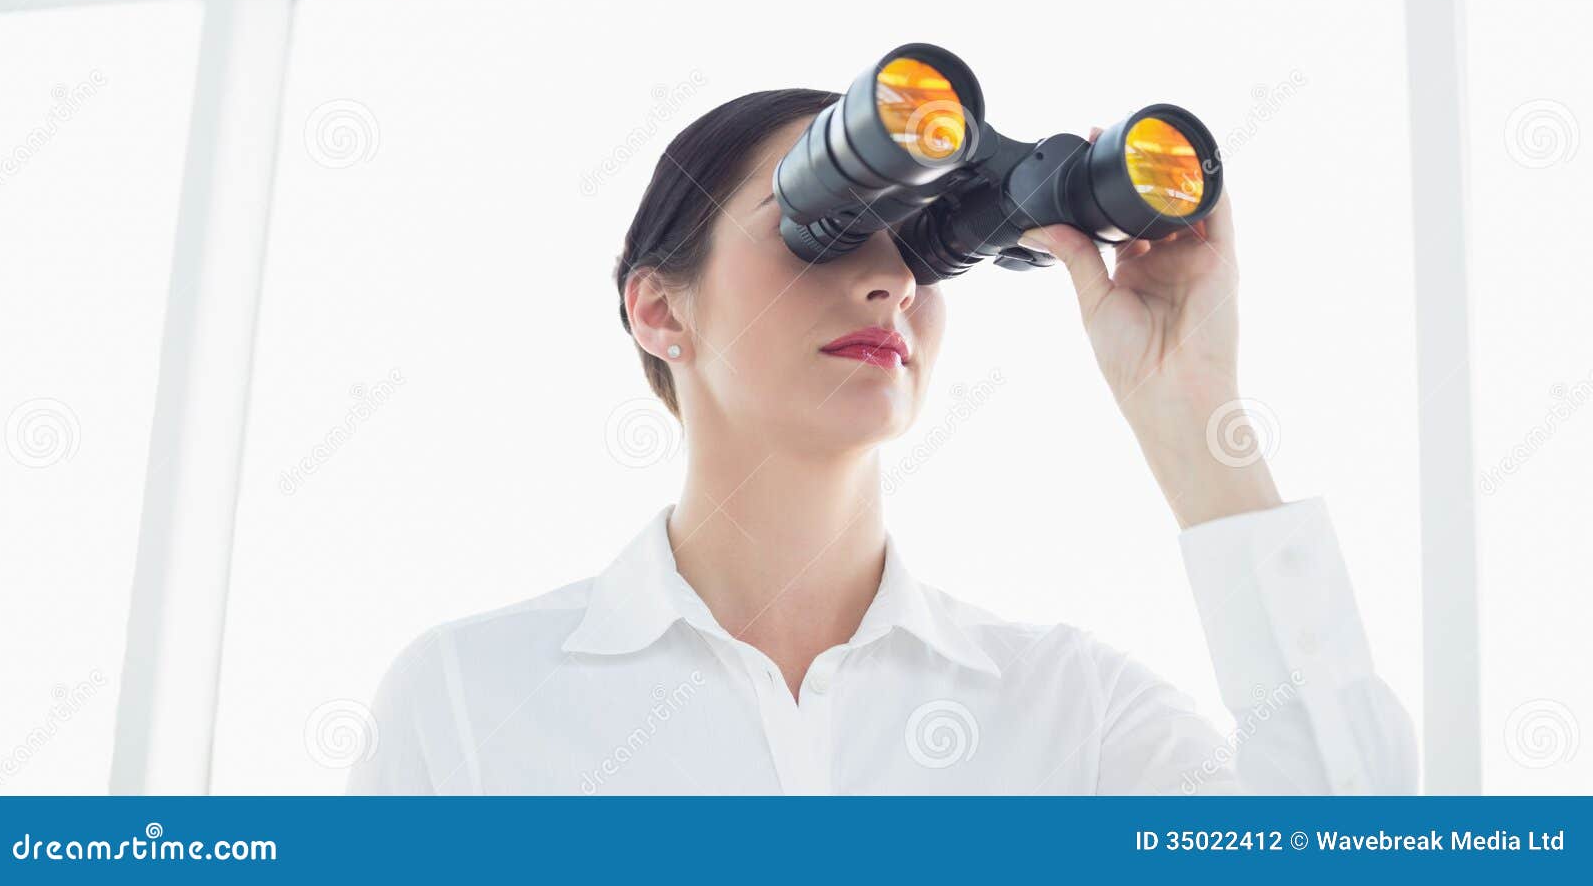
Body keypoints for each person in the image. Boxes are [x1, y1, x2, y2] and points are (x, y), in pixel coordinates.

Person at [347, 87, 1416, 795]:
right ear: (660, 311)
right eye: (815, 228)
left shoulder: (1070, 712)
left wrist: (1193, 412)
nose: (890, 279)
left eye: (920, 246)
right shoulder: (471, 698)